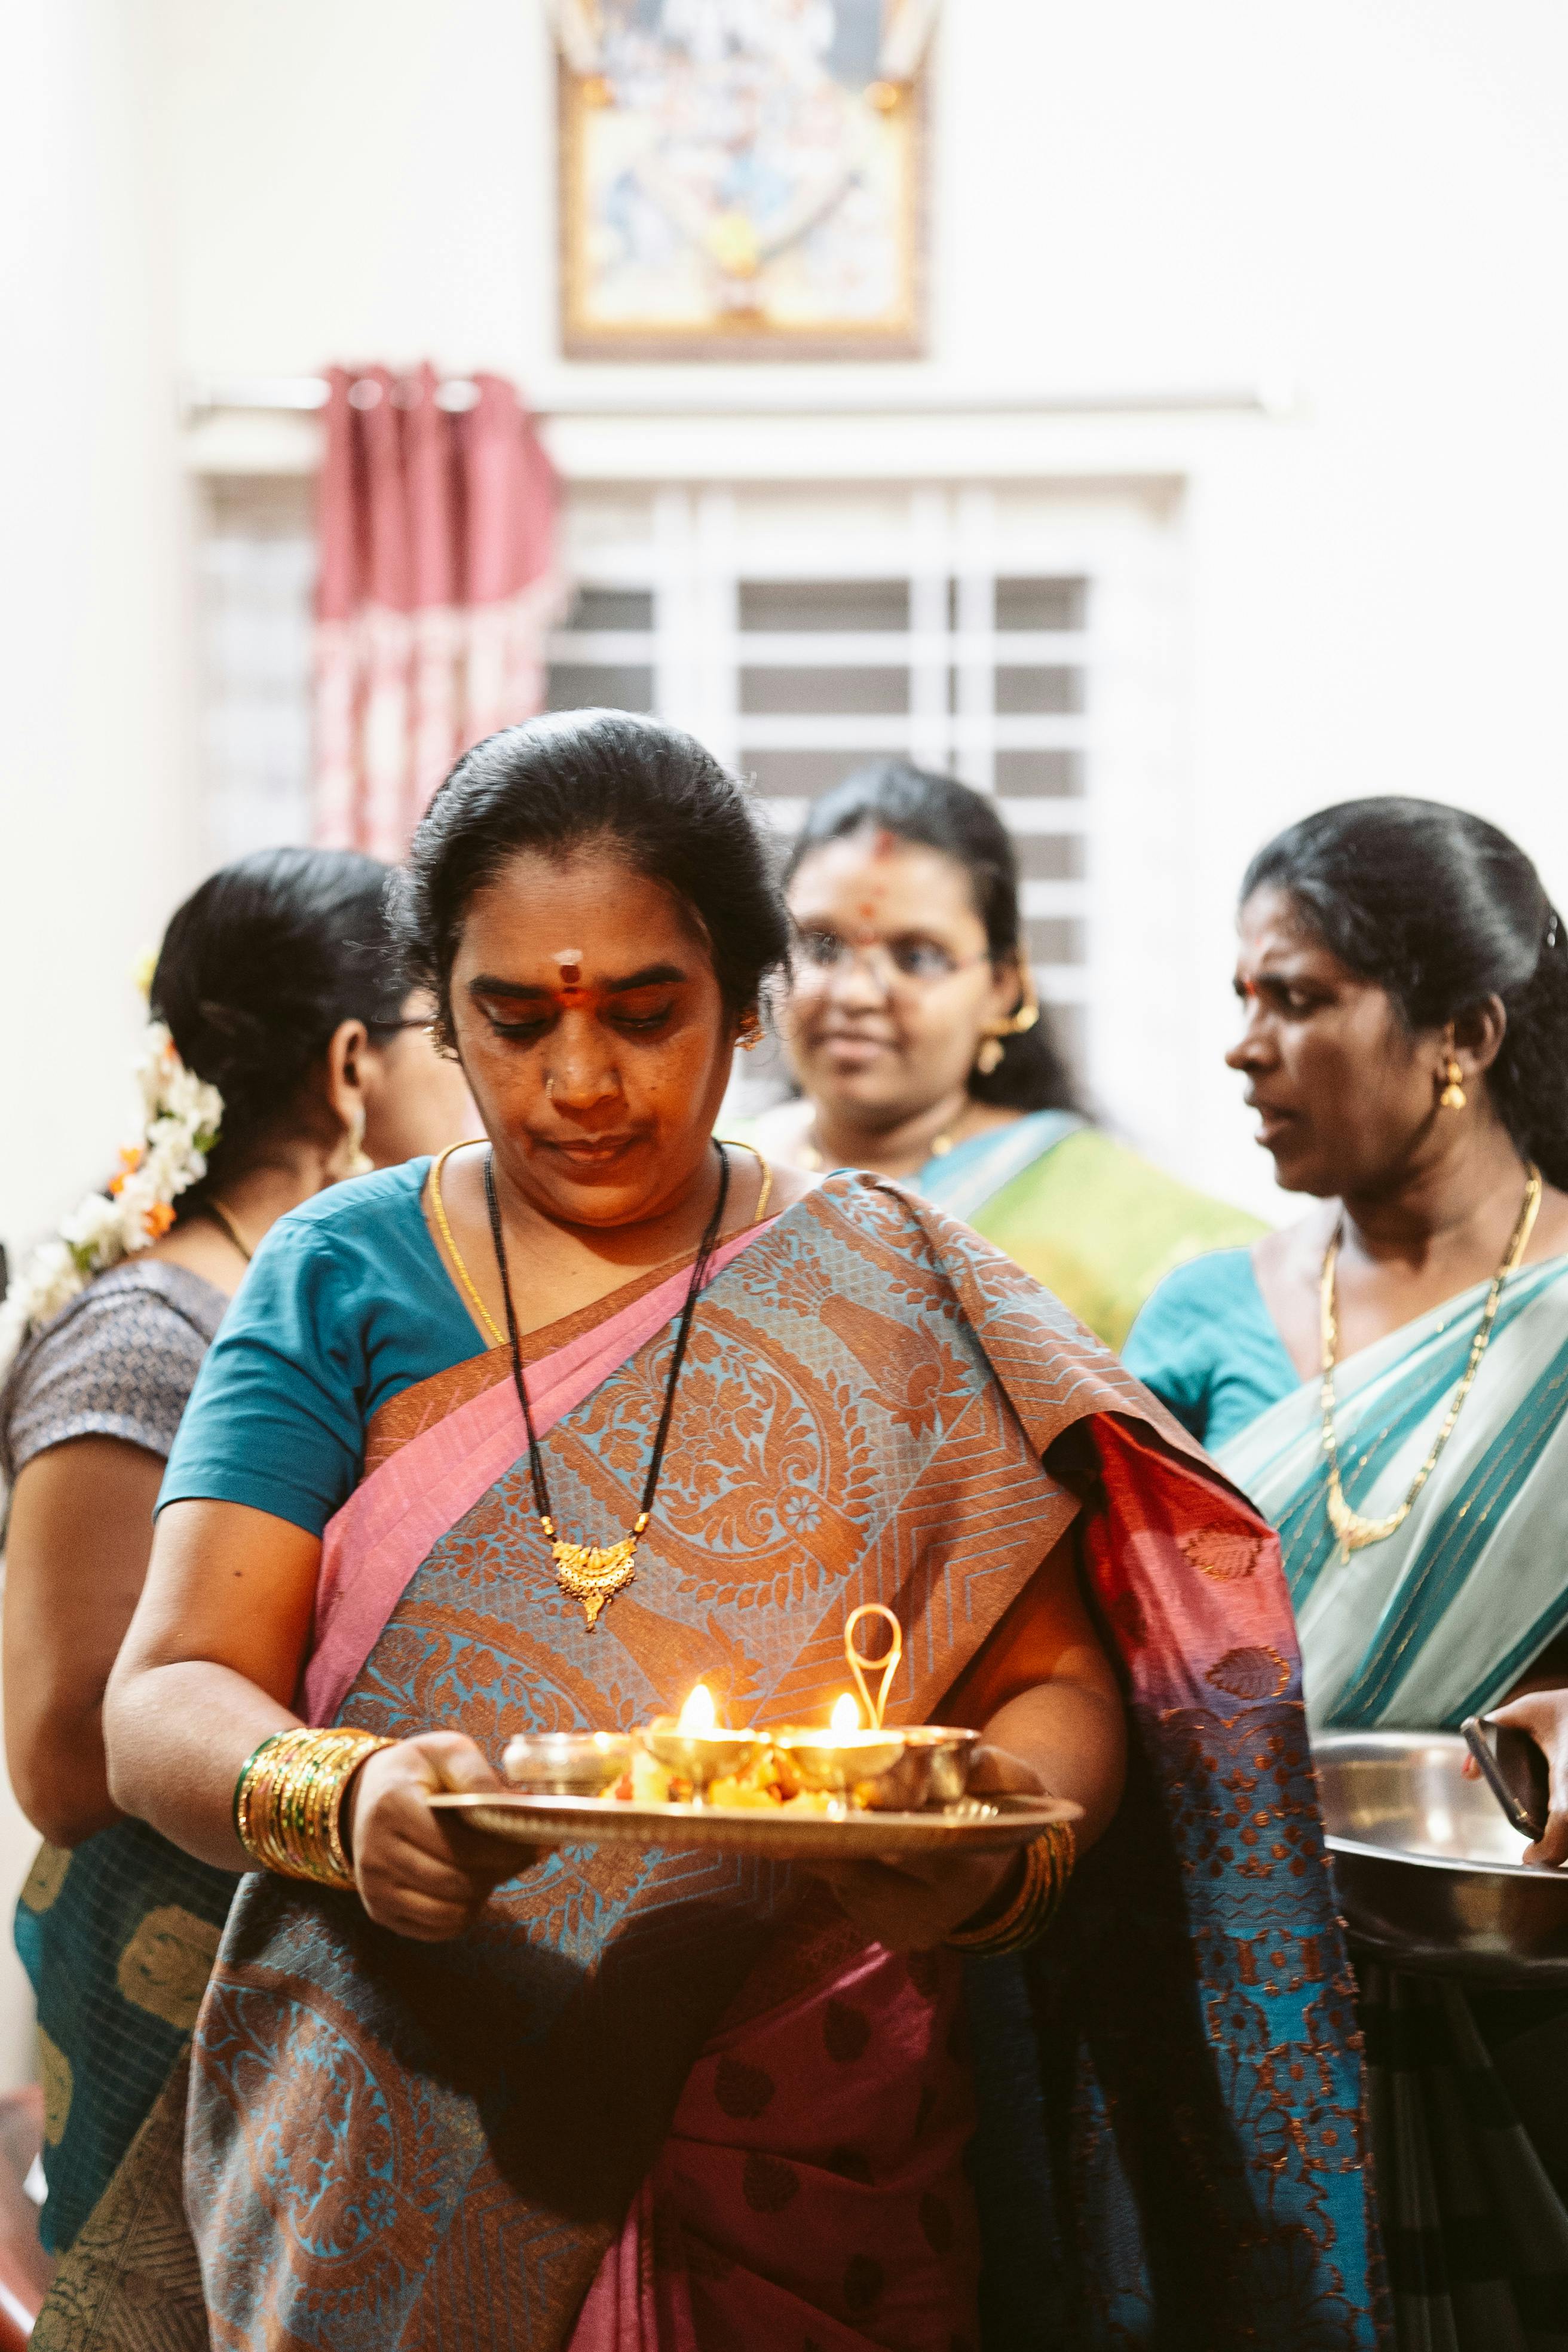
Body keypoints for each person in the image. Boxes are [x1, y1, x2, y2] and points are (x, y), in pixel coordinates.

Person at [96, 715, 1380, 2351]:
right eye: (510, 1019)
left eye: (647, 1013)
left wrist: (991, 1857)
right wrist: (339, 1799)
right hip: (410, 2101)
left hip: (823, 2134)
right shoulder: (344, 1274)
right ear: (437, 1010)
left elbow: (1052, 1688)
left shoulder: (891, 1285)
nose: (578, 1081)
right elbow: (165, 1698)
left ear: (751, 1005)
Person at [1123, 795, 1568, 2348]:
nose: (1247, 1046)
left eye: (1298, 999)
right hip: (1226, 2012)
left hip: (1531, 2024)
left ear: (1462, 1032)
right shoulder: (1199, 1316)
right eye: (1244, 1000)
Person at [0, 846, 473, 2274]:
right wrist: (323, 1773)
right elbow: (65, 1755)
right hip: (172, 1964)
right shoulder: (158, 1336)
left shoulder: (336, 1315)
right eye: (455, 1032)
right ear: (350, 1066)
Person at [745, 761, 1263, 1348]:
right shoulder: (696, 1174)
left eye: (918, 956)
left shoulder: (1121, 1220)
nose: (857, 992)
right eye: (821, 945)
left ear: (1002, 986)